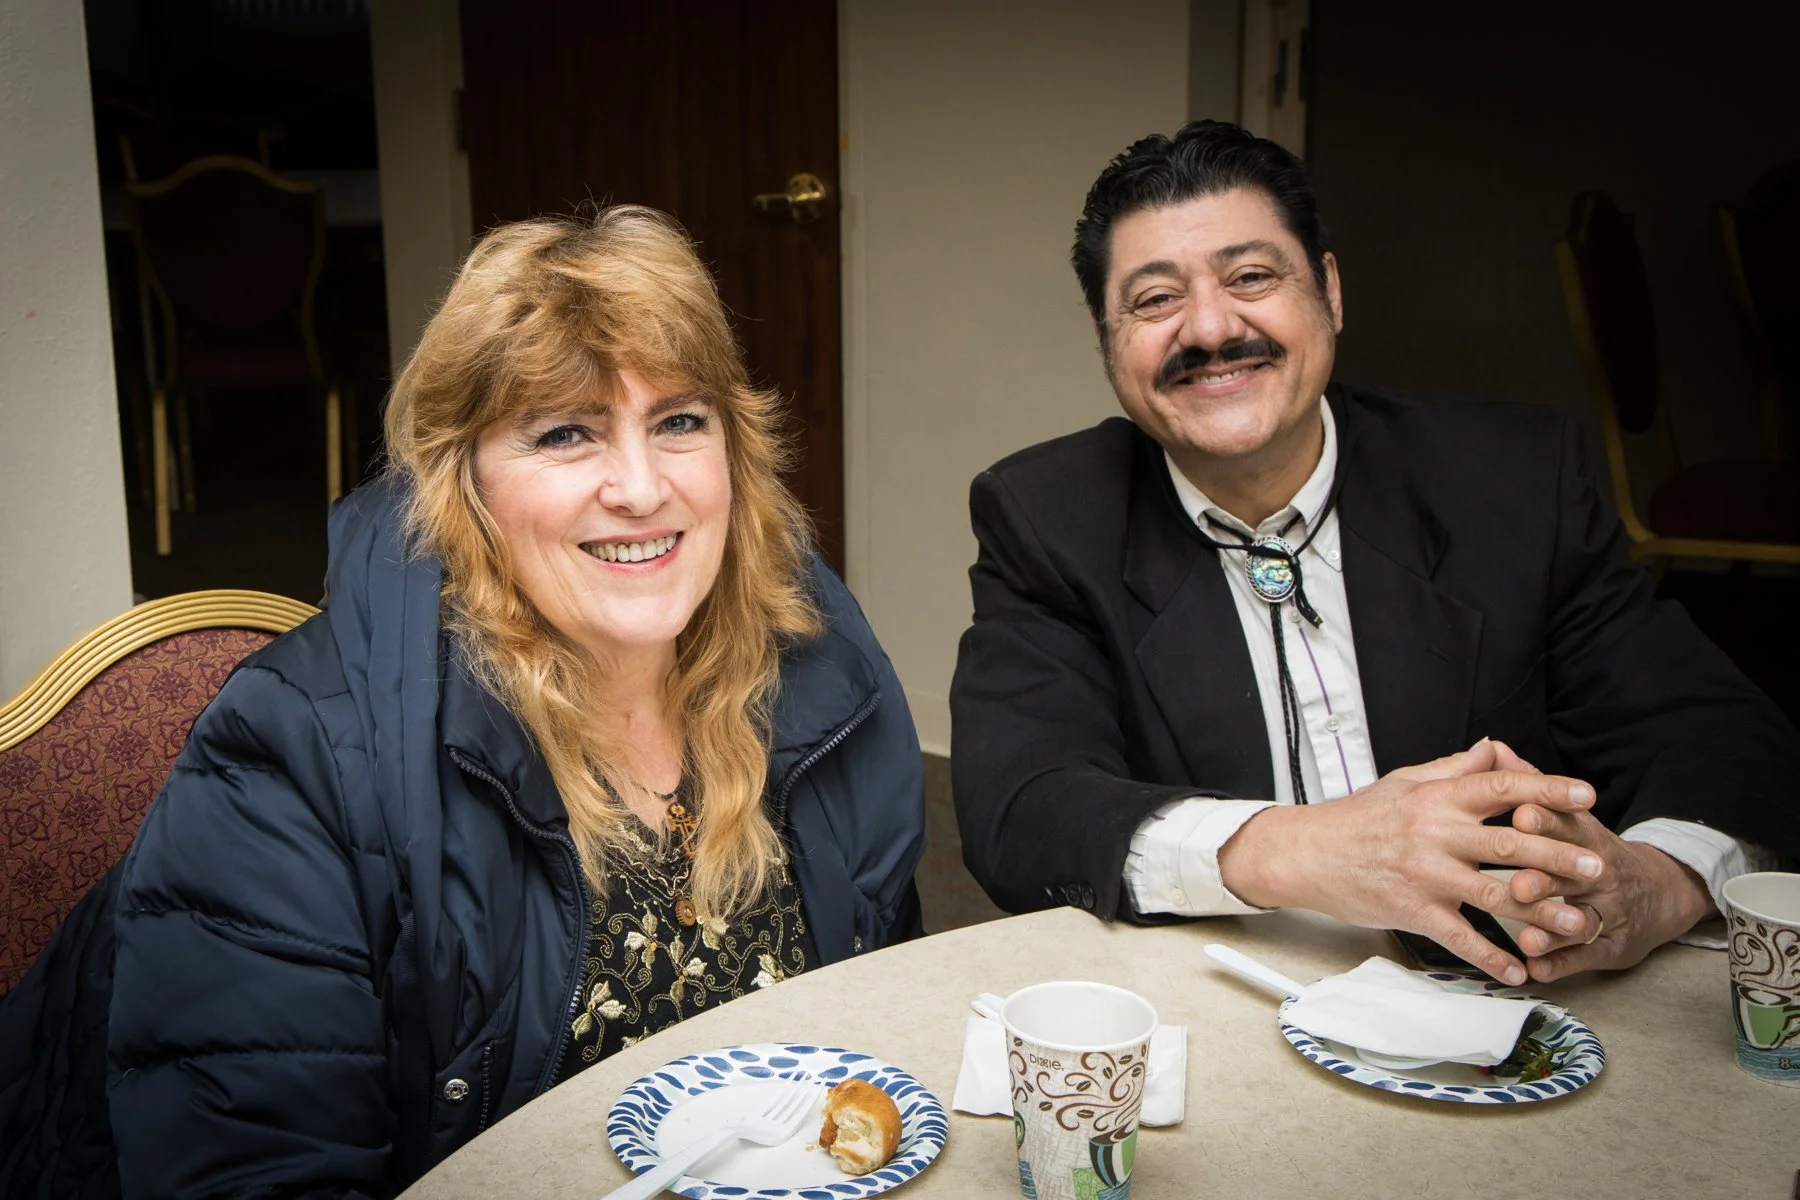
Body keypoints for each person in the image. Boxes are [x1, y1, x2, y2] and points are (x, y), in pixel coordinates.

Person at [102, 206, 926, 1196]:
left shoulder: (820, 679)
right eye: (566, 433)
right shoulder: (292, 757)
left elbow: (879, 1026)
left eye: (679, 422)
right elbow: (257, 1173)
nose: (639, 486)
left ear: (736, 458)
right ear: (465, 489)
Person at [950, 120, 1798, 990]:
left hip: (1509, 1007)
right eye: (1155, 300)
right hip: (1224, 1015)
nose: (1208, 328)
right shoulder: (1048, 517)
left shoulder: (1510, 482)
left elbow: (1723, 736)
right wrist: (1306, 848)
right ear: (1107, 342)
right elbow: (1023, 810)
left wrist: (1655, 884)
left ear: (1329, 291)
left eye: (1250, 277)